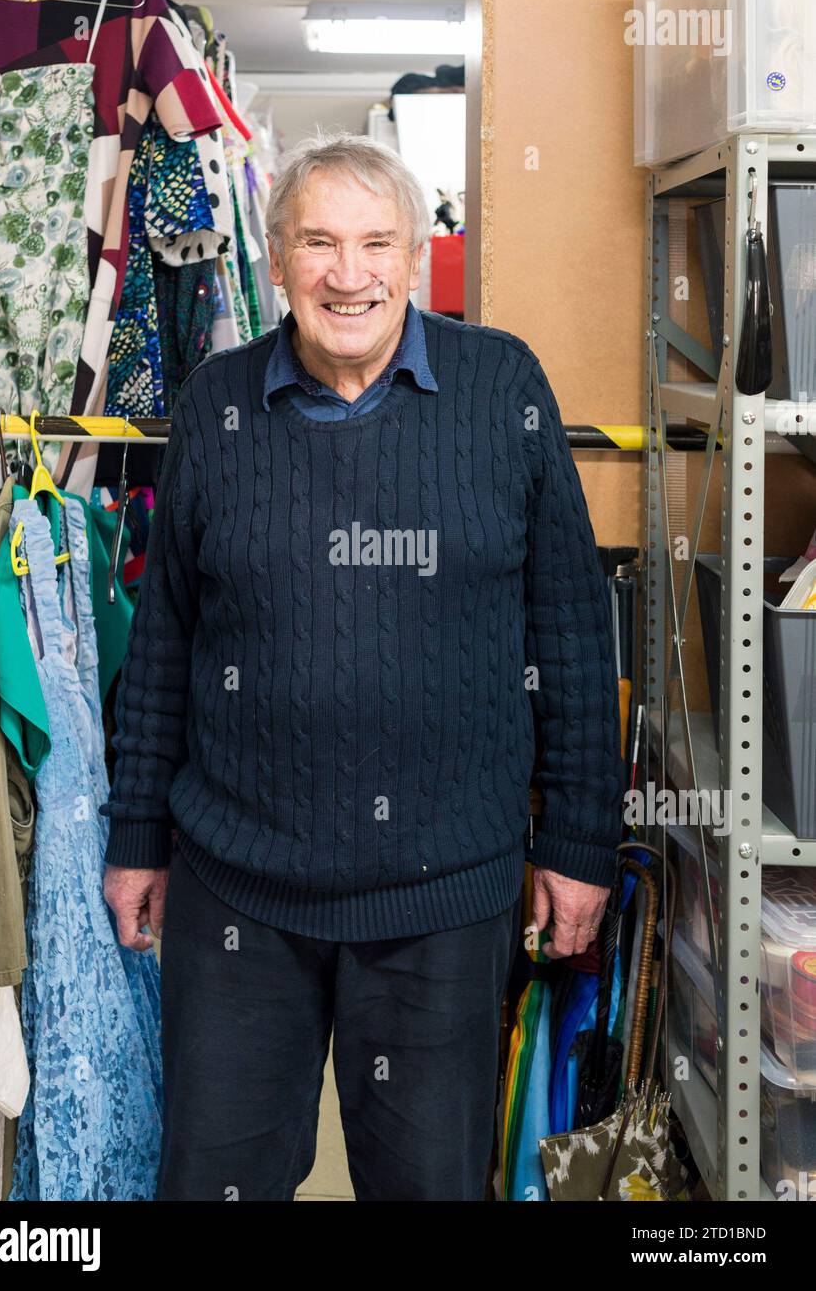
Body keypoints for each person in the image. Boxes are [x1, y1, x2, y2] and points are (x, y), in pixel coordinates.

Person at [101, 131, 624, 1202]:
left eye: (377, 242)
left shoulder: (501, 390)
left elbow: (570, 629)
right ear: (280, 259)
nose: (350, 273)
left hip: (443, 893)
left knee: (428, 1187)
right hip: (238, 888)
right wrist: (136, 838)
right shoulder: (217, 404)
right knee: (213, 1183)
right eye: (320, 243)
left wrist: (579, 841)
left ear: (417, 256)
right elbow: (164, 643)